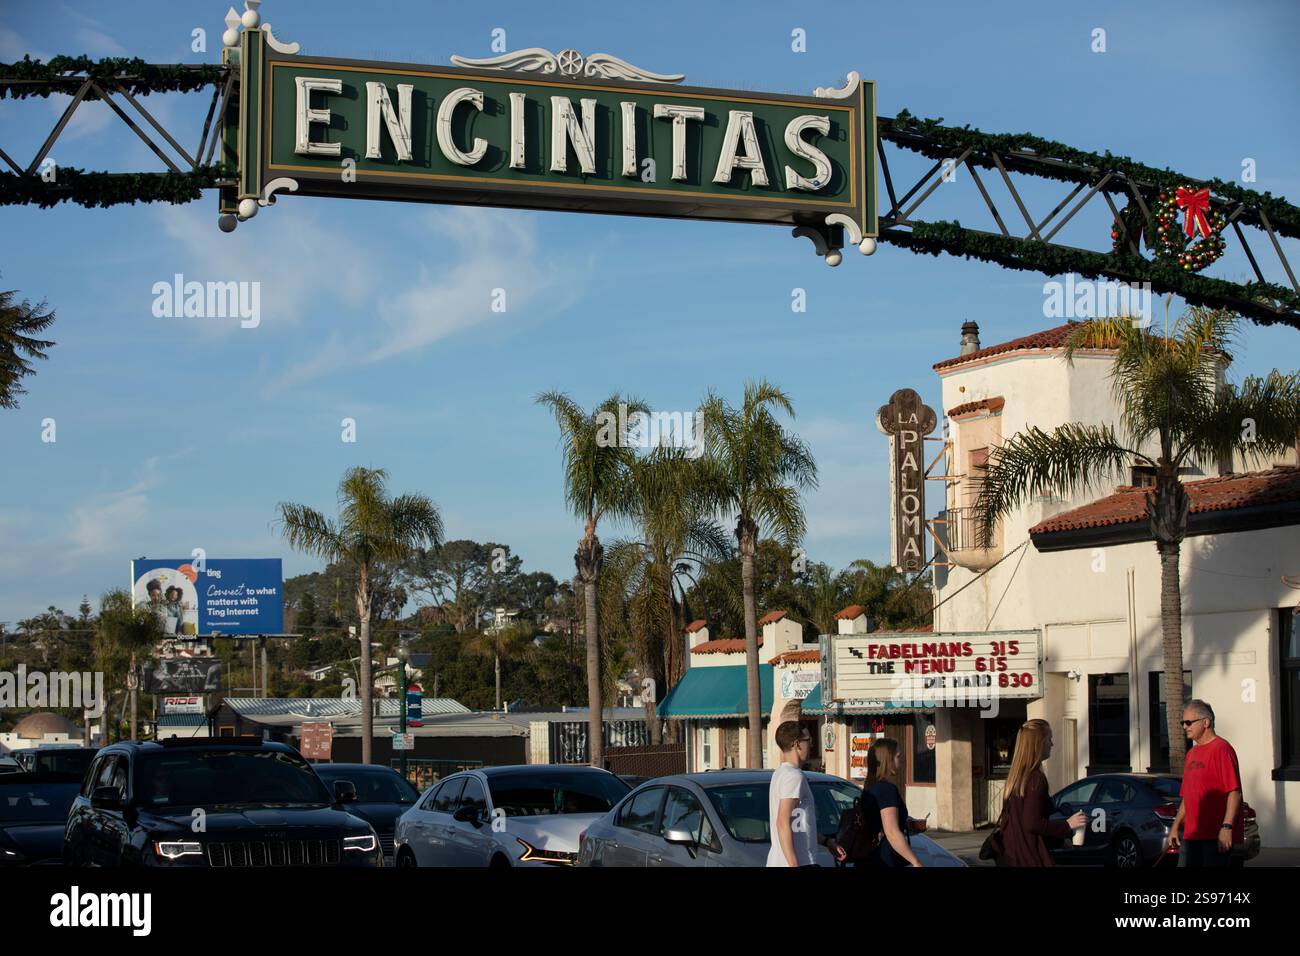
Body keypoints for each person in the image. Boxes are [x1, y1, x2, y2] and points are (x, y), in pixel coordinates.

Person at [998, 718, 1086, 867]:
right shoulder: (1035, 779)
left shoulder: (1015, 780)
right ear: (1038, 744)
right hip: (1030, 858)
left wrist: (1058, 841)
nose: (1052, 744)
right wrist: (1067, 824)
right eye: (1049, 739)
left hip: (1012, 857)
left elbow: (1025, 825)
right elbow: (1032, 823)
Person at [1169, 699, 1243, 868]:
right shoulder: (1191, 754)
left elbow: (1234, 792)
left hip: (1215, 837)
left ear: (1206, 722)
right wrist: (1175, 826)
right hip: (1191, 836)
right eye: (1183, 722)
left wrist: (1227, 827)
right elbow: (1188, 797)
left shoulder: (1222, 749)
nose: (1184, 726)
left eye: (1188, 722)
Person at [766, 721, 845, 867]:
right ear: (797, 744)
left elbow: (798, 823)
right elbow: (782, 822)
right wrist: (794, 864)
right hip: (798, 862)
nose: (812, 745)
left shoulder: (780, 773)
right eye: (809, 740)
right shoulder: (794, 776)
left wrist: (826, 842)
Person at [858, 737, 923, 868]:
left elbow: (879, 823)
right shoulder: (886, 789)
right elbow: (892, 832)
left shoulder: (871, 787)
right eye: (899, 756)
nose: (903, 760)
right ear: (888, 761)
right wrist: (916, 862)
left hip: (869, 858)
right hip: (884, 858)